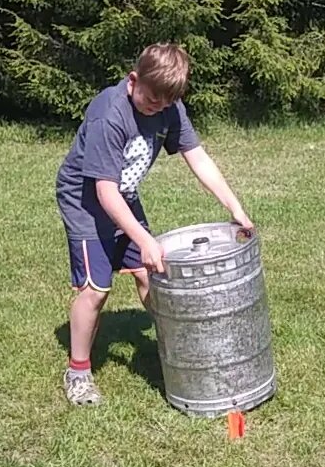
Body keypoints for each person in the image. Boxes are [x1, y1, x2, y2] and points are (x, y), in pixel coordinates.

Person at [54, 43, 254, 406]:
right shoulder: (109, 114)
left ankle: (177, 353)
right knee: (96, 291)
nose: (157, 108)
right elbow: (104, 190)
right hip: (86, 203)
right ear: (133, 80)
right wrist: (143, 238)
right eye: (151, 99)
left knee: (152, 272)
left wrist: (235, 206)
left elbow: (198, 158)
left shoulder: (169, 106)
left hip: (121, 195)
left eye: (165, 103)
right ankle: (78, 371)